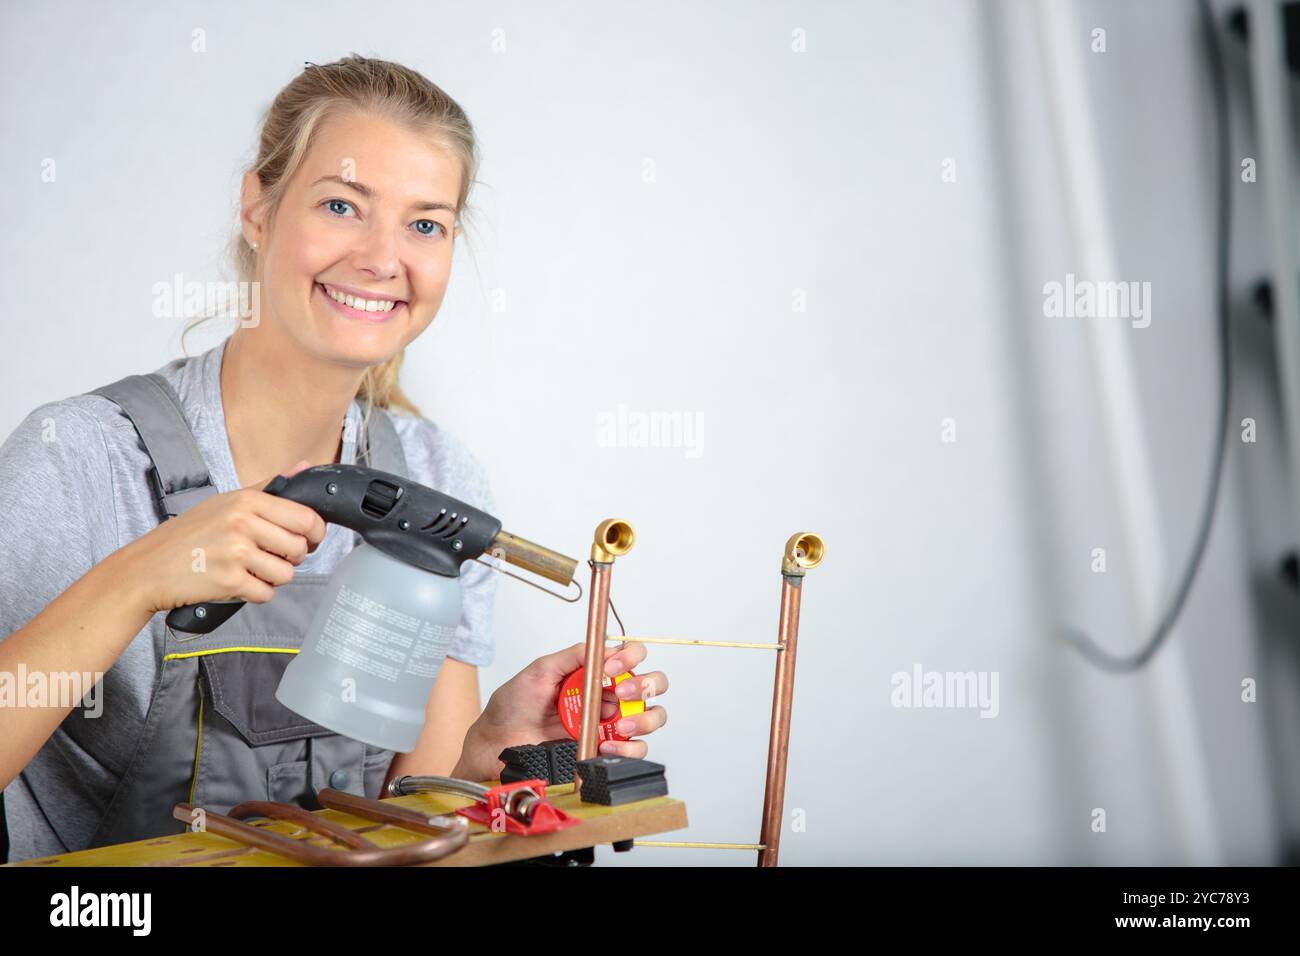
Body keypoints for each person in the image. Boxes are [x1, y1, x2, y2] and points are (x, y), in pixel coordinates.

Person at [0, 55, 668, 864]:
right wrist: (140, 577)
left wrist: (485, 753)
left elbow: (413, 818)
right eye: (343, 205)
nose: (382, 258)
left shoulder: (438, 482)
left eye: (426, 223)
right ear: (258, 206)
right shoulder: (82, 459)